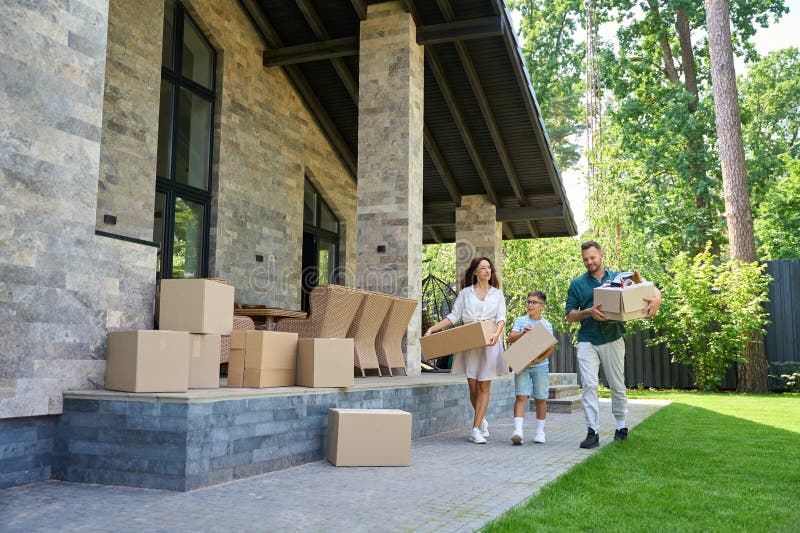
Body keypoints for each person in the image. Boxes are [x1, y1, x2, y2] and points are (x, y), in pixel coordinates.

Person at [565, 241, 661, 448]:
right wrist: (588, 312)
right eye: (585, 259)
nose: (589, 262)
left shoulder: (620, 277)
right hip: (587, 340)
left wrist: (657, 301)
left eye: (592, 257)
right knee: (589, 385)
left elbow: (651, 287)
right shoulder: (577, 284)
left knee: (617, 384)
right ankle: (592, 431)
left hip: (613, 338)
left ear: (601, 256)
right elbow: (570, 316)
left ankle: (620, 426)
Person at [424, 257, 508, 444]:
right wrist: (433, 329)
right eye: (483, 268)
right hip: (469, 341)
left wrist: (497, 333)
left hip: (489, 341)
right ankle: (482, 417)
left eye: (489, 268)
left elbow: (501, 317)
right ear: (475, 272)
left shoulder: (497, 294)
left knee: (484, 386)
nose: (487, 271)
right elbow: (454, 316)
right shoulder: (465, 294)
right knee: (473, 387)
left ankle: (475, 428)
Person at [508, 291, 555, 445]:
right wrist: (523, 333)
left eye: (534, 302)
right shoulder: (521, 321)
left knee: (541, 398)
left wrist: (536, 360)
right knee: (521, 396)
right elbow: (511, 338)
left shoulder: (546, 325)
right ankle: (518, 431)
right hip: (522, 364)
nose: (530, 305)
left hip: (540, 366)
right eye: (528, 302)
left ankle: (540, 432)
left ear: (542, 306)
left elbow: (550, 349)